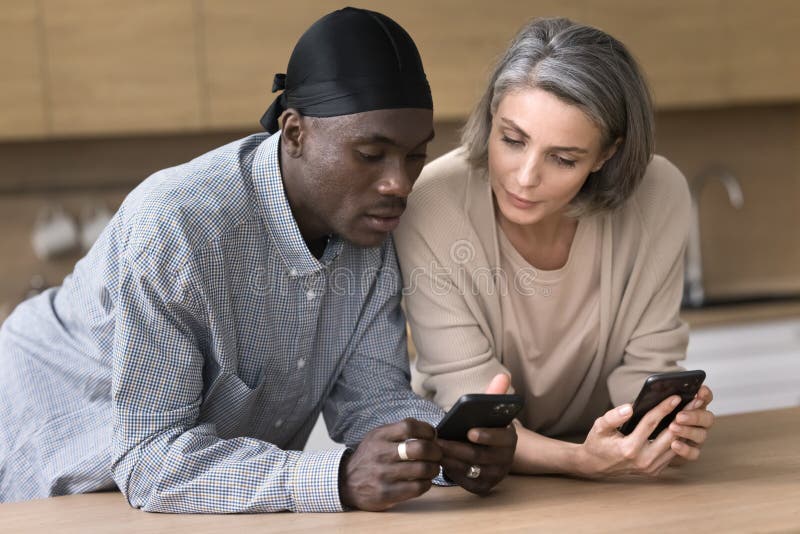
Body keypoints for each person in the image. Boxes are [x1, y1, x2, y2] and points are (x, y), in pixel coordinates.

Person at [0, 7, 516, 511]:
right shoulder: (177, 224)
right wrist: (336, 477)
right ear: (294, 133)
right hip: (48, 442)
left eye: (415, 155)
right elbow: (152, 461)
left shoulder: (369, 227)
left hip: (166, 487)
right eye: (370, 154)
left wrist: (445, 452)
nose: (399, 183)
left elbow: (372, 399)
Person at [394, 17, 714, 478]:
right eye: (511, 139)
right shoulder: (431, 202)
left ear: (608, 154)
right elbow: (475, 410)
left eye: (563, 159)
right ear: (490, 119)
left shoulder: (659, 194)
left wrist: (662, 427)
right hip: (483, 476)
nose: (525, 177)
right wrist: (580, 461)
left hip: (607, 473)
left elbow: (645, 371)